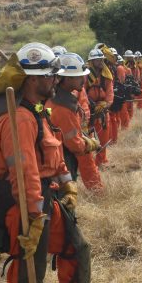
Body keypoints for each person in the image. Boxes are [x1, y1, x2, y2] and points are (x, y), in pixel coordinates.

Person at [0, 42, 90, 283]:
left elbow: (54, 155)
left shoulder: (37, 111)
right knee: (29, 266)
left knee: (77, 248)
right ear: (33, 80)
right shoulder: (19, 119)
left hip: (47, 197)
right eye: (49, 76)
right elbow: (25, 172)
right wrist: (33, 216)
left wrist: (68, 185)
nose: (54, 80)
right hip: (25, 202)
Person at [47, 53, 104, 191]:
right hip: (62, 159)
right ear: (66, 79)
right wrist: (88, 144)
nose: (83, 79)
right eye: (79, 76)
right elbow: (73, 143)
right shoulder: (63, 107)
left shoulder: (62, 98)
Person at [85, 48, 114, 166]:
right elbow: (81, 92)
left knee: (103, 138)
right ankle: (89, 163)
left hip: (102, 110)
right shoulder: (85, 76)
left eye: (100, 59)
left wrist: (106, 105)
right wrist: (88, 106)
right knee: (87, 138)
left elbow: (110, 93)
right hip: (88, 110)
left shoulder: (106, 75)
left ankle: (101, 161)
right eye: (96, 60)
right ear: (91, 61)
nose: (99, 62)